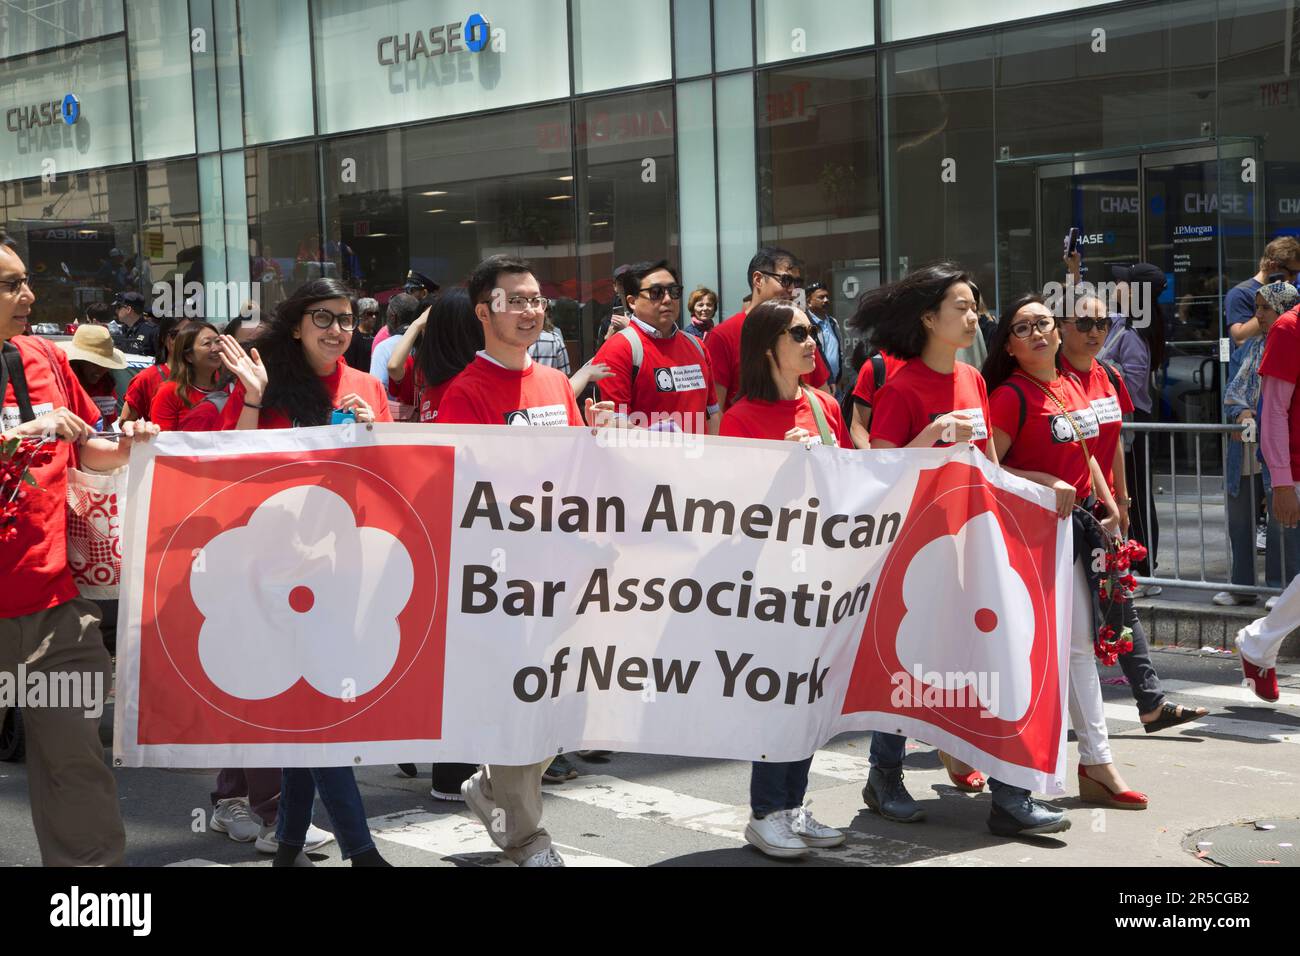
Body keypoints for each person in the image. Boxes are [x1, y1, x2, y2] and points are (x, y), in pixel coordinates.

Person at [438, 254, 611, 867]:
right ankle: (524, 836)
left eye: (538, 300)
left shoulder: (555, 383)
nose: (531, 310)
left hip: (567, 570)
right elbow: (465, 494)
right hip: (508, 580)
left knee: (571, 702)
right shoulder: (465, 392)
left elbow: (571, 472)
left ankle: (490, 790)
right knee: (524, 702)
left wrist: (595, 445)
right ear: (485, 311)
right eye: (517, 300)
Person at [215, 277, 392, 867]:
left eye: (347, 319)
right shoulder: (270, 386)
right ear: (296, 325)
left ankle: (288, 847)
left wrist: (374, 434)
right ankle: (362, 852)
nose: (338, 329)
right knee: (319, 720)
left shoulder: (367, 386)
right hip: (274, 575)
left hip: (343, 569)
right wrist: (254, 399)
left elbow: (391, 479)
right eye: (324, 317)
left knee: (307, 713)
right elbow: (228, 477)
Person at [1, 242, 160, 865]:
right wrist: (25, 431)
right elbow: (40, 438)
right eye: (11, 285)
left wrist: (128, 445)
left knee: (78, 775)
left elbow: (85, 448)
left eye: (26, 282)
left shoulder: (43, 355)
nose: (30, 297)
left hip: (56, 613)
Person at [984, 293, 1148, 816]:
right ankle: (1035, 763)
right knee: (1045, 653)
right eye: (1022, 327)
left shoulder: (1072, 385)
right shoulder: (1010, 395)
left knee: (1081, 647)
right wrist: (1041, 481)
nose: (1037, 333)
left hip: (1080, 532)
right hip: (1031, 537)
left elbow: (1090, 453)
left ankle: (1095, 762)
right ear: (1008, 346)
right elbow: (987, 468)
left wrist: (1114, 509)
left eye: (1044, 324)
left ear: (1058, 333)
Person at [717, 300, 848, 858]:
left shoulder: (823, 406)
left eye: (813, 329)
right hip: (769, 578)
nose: (812, 339)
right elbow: (726, 506)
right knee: (779, 696)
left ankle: (792, 804)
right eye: (799, 332)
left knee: (810, 694)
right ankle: (766, 811)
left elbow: (849, 481)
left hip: (821, 570)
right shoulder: (741, 418)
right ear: (768, 346)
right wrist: (777, 469)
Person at [1058, 295, 1209, 732]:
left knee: (1120, 600)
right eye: (1084, 321)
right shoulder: (1052, 379)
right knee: (1070, 617)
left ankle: (1152, 703)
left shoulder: (1107, 374)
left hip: (1100, 509)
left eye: (1103, 323)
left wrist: (1121, 504)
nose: (1094, 331)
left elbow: (1113, 445)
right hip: (1064, 514)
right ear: (1062, 326)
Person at [1219, 282, 1300, 607]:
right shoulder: (1249, 348)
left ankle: (1281, 589)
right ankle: (1242, 586)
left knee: (1284, 523)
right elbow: (1231, 392)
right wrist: (1241, 412)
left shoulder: (1287, 338)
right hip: (1246, 449)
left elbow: (1281, 405)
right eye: (1257, 307)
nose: (1258, 315)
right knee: (1240, 518)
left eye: (1265, 307)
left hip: (1277, 448)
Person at [1239, 294, 1300, 702]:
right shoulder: (1288, 327)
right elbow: (1273, 409)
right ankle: (1259, 642)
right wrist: (1281, 480)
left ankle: (1258, 642)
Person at [592, 260, 720, 435]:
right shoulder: (617, 350)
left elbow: (712, 414)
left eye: (674, 291)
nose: (667, 299)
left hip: (698, 459)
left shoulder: (697, 346)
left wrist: (710, 458)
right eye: (656, 292)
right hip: (646, 461)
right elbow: (613, 428)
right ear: (632, 301)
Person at [705, 247, 831, 411]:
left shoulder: (803, 331)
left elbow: (825, 399)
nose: (793, 290)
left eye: (797, 283)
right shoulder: (722, 336)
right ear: (758, 279)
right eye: (786, 280)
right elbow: (715, 411)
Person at [1224, 236, 1300, 349]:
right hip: (1256, 364)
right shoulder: (1240, 293)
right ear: (1273, 266)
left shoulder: (1289, 292)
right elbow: (1240, 338)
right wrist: (1274, 299)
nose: (1294, 278)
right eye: (1292, 272)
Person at [149, 323, 227, 431]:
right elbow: (164, 442)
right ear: (188, 356)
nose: (216, 348)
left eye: (218, 341)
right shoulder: (169, 392)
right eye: (207, 343)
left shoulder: (228, 386)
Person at [120, 315, 190, 423]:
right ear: (164, 339)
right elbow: (125, 421)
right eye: (177, 335)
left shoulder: (208, 375)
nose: (185, 339)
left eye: (190, 334)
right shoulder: (146, 378)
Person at [58, 324, 127, 429]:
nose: (101, 369)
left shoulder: (106, 387)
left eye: (105, 364)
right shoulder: (61, 387)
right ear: (78, 362)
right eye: (93, 363)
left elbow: (106, 425)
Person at [805, 282, 844, 395]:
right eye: (821, 297)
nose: (826, 300)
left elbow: (839, 352)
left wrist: (839, 377)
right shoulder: (806, 324)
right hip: (817, 387)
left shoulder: (832, 322)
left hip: (835, 384)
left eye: (827, 296)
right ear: (809, 302)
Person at [111, 291, 159, 359]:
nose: (116, 311)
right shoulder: (124, 329)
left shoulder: (152, 332)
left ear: (128, 309)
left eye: (118, 307)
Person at [344, 297, 379, 370]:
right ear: (361, 314)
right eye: (370, 313)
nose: (374, 316)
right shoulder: (353, 336)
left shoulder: (378, 334)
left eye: (376, 313)